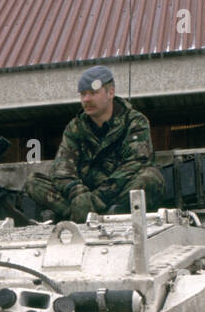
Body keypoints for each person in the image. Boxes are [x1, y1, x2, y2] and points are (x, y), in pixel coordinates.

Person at [26, 65, 164, 222]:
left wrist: (96, 200)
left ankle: (106, 214)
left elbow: (136, 163)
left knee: (151, 177)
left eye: (93, 93)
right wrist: (78, 193)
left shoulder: (134, 121)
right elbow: (62, 170)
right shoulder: (75, 127)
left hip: (117, 192)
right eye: (83, 94)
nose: (86, 99)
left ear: (110, 92)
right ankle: (82, 213)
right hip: (84, 194)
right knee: (33, 182)